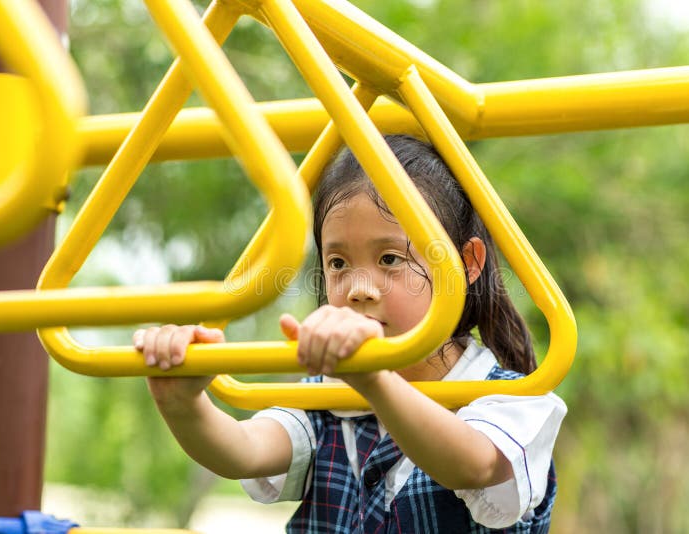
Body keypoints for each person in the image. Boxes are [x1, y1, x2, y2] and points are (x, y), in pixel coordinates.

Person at [134, 135, 567, 533]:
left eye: (391, 258)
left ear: (467, 263)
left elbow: (473, 465)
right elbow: (243, 450)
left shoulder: (514, 402)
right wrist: (182, 404)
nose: (359, 289)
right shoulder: (325, 398)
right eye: (338, 263)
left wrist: (372, 379)